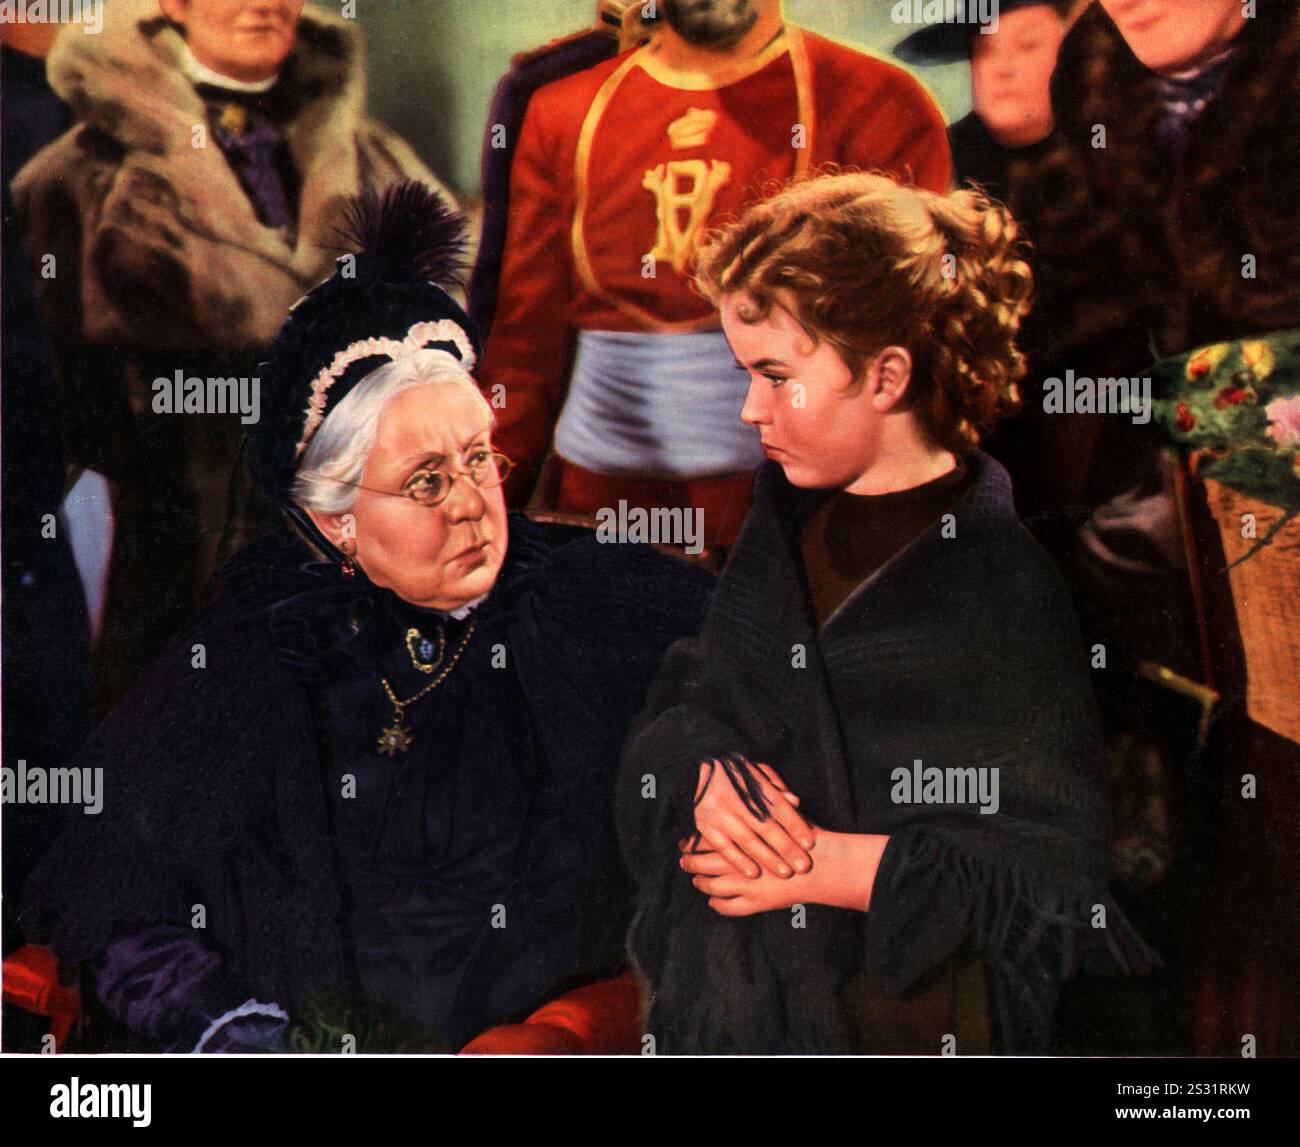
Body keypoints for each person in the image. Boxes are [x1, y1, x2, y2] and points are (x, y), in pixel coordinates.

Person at [17, 183, 714, 1054]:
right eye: (427, 481)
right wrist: (252, 1040)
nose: (473, 505)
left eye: (478, 460)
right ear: (335, 520)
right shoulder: (251, 655)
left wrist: (584, 1024)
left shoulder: (610, 611)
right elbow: (116, 895)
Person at [616, 172, 1158, 1054]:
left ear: (887, 374)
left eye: (776, 375)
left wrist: (826, 866)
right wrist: (708, 780)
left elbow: (1057, 887)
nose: (751, 408)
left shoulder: (1001, 586)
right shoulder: (784, 527)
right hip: (744, 993)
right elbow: (688, 704)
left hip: (917, 1017)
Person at [11, 0, 451, 713]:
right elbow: (55, 403)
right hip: (174, 555)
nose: (264, 3)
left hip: (352, 545)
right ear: (172, 4)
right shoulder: (76, 179)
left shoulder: (375, 161)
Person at [473, 0, 953, 547]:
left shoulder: (878, 103)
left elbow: (911, 372)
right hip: (593, 510)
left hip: (795, 526)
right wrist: (479, 512)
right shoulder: (563, 110)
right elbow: (522, 353)